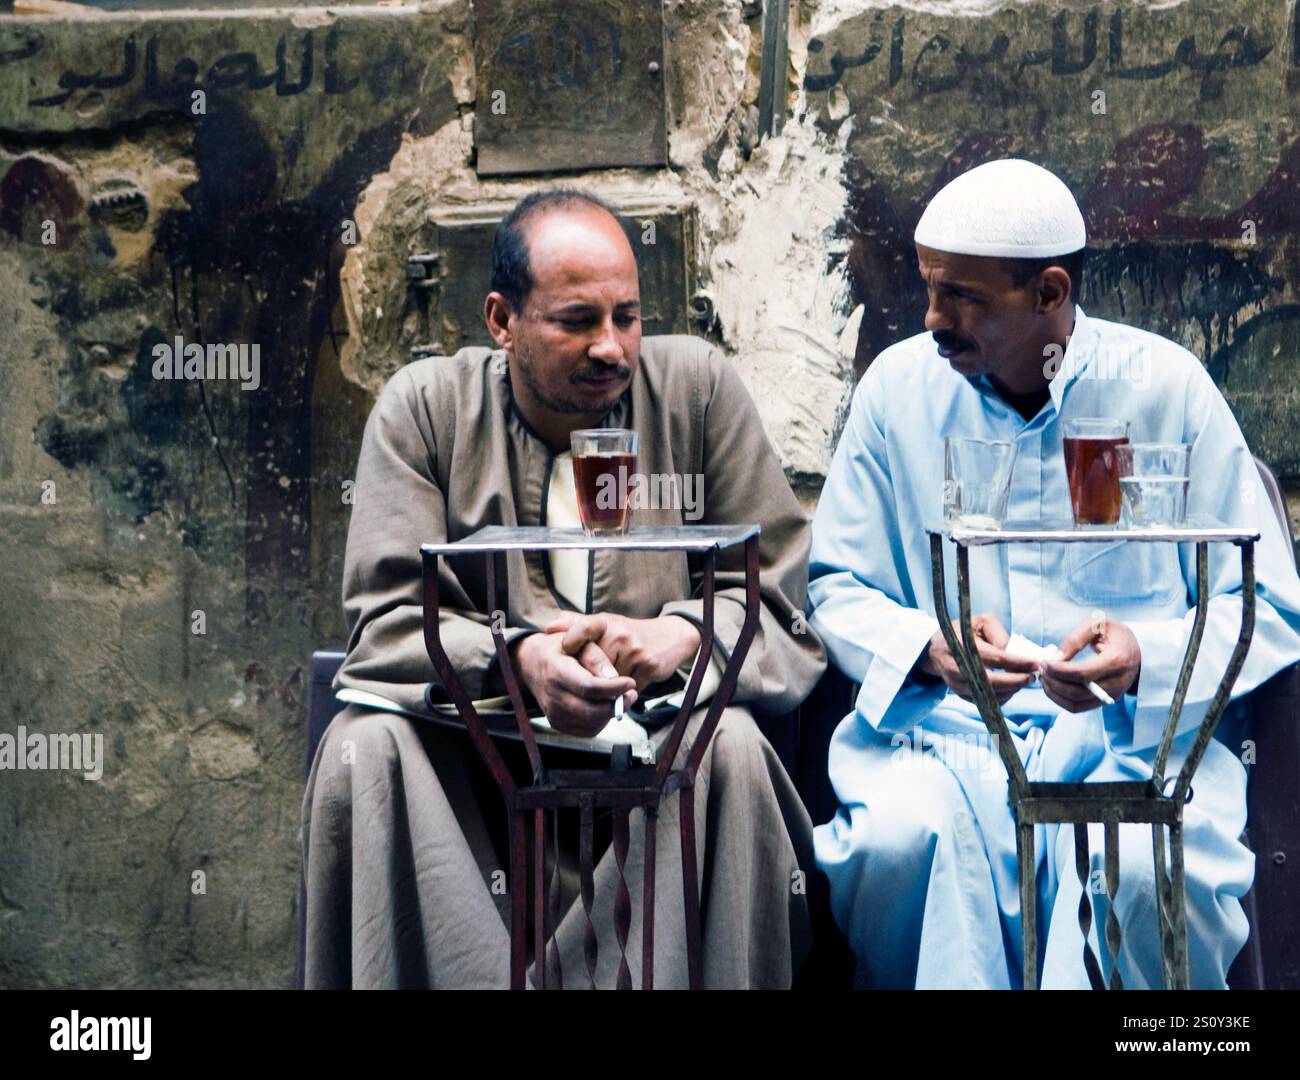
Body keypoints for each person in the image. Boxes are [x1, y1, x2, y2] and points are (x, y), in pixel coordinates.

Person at [300, 188, 825, 989]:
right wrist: (520, 662)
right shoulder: (426, 412)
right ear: (502, 320)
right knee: (360, 750)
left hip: (655, 776)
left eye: (628, 317)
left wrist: (681, 636)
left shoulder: (697, 392)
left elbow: (780, 605)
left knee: (738, 750)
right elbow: (387, 628)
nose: (612, 348)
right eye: (578, 321)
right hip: (477, 794)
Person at [809, 158, 1300, 989]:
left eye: (961, 296)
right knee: (901, 839)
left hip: (1131, 744)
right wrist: (932, 647)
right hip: (942, 739)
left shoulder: (1165, 388)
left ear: (1049, 292)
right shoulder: (897, 393)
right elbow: (836, 585)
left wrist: (1144, 656)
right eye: (931, 289)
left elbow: (1265, 605)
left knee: (1145, 874)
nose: (932, 318)